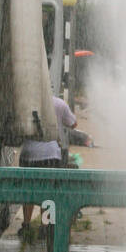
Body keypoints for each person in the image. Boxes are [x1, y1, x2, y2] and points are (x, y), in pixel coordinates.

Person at [18, 95, 77, 239]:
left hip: (28, 153)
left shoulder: (28, 102)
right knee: (48, 191)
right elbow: (74, 123)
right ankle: (45, 227)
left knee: (28, 190)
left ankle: (26, 225)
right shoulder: (59, 103)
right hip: (51, 154)